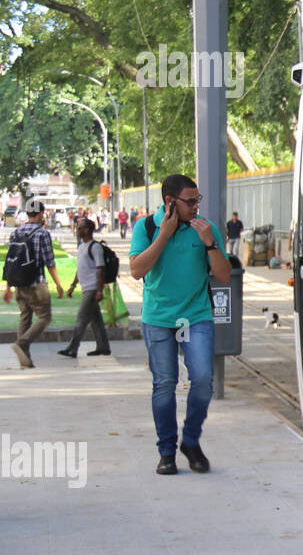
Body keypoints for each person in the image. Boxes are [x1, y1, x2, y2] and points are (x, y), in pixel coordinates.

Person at [129, 174, 231, 475]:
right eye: (190, 201)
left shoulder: (206, 229)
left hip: (196, 315)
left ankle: (191, 440)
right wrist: (165, 233)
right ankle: (166, 451)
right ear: (170, 202)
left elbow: (224, 277)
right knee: (165, 385)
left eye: (198, 200)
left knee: (202, 379)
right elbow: (136, 270)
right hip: (159, 318)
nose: (196, 207)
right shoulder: (145, 227)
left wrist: (210, 244)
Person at [2, 197, 66, 368]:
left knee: (25, 317)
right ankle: (22, 343)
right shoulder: (42, 233)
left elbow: (10, 260)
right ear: (40, 214)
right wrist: (59, 285)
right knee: (45, 317)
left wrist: (8, 286)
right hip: (36, 283)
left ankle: (25, 359)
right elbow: (49, 262)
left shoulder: (16, 233)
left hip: (19, 283)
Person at [59, 218, 111, 358]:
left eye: (79, 228)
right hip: (85, 287)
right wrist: (73, 285)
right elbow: (80, 269)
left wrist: (99, 290)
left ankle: (72, 348)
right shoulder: (82, 246)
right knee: (96, 320)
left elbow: (101, 269)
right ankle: (103, 347)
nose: (77, 230)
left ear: (87, 230)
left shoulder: (95, 247)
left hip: (93, 288)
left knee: (81, 318)